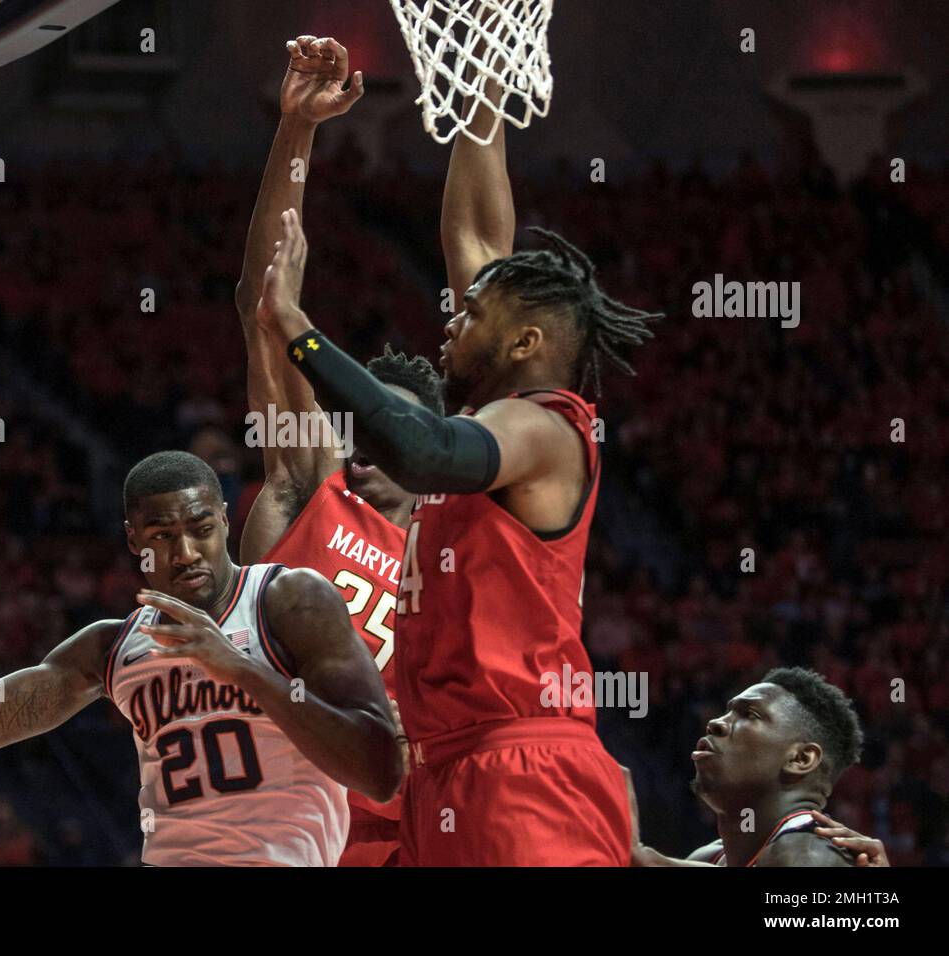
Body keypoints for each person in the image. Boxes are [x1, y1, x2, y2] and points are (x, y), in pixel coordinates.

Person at [254, 69, 660, 864]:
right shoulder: (494, 425)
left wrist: (300, 332)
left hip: (523, 762)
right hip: (446, 772)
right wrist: (481, 83)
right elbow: (477, 246)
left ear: (526, 344)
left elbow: (423, 449)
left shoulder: (547, 427)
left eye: (471, 316)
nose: (452, 319)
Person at [0, 451, 402, 866]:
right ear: (132, 539)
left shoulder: (289, 601)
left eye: (201, 530)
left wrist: (242, 670)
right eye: (162, 536)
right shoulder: (112, 647)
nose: (186, 553)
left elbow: (379, 767)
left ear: (226, 521)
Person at [234, 34, 442, 866]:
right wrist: (297, 131)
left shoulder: (455, 558)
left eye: (390, 425)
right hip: (274, 824)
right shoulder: (314, 487)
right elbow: (261, 302)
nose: (366, 438)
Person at [631, 668, 879, 867]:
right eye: (727, 712)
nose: (715, 723)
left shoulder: (811, 853)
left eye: (749, 714)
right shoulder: (710, 856)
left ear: (800, 759)